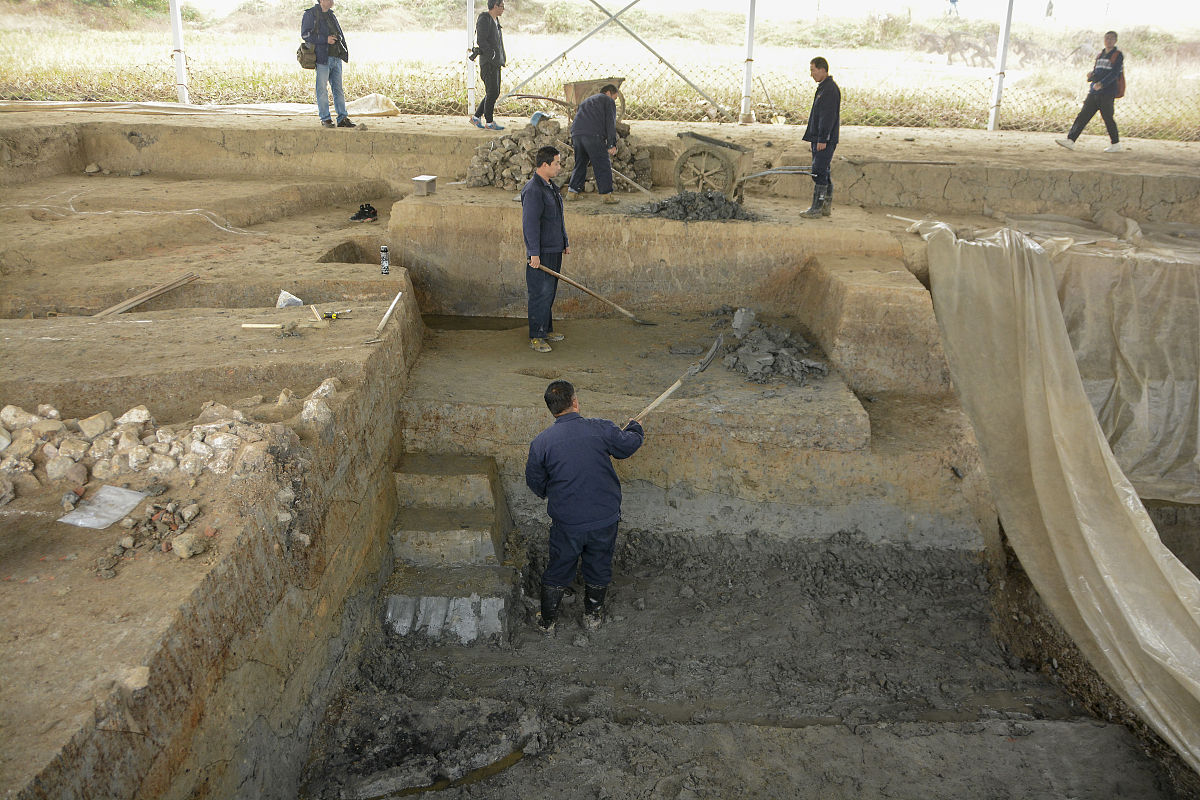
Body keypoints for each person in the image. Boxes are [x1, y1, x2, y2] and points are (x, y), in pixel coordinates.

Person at [525, 380, 645, 634]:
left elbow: (536, 483)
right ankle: (593, 616)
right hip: (604, 518)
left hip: (567, 522)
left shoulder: (541, 443)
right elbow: (627, 445)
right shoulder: (600, 429)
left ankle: (548, 622)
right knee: (599, 564)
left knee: (559, 566)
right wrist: (635, 428)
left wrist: (555, 494)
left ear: (552, 410)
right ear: (575, 402)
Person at [521, 146, 569, 353]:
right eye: (556, 163)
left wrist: (564, 242)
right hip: (541, 253)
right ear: (545, 165)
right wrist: (534, 253)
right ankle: (536, 336)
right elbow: (530, 224)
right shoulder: (533, 191)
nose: (559, 167)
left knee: (549, 292)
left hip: (554, 249)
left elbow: (558, 219)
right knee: (540, 293)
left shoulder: (551, 187)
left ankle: (546, 329)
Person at [1057, 31, 1123, 153]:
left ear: (1115, 41)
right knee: (1083, 115)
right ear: (1104, 40)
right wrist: (1091, 76)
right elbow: (1097, 71)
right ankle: (1071, 140)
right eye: (1106, 38)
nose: (1108, 41)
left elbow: (1115, 74)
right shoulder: (1100, 55)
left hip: (1107, 92)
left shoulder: (1117, 55)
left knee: (1108, 117)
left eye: (1111, 39)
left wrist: (1102, 83)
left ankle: (1116, 143)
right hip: (1094, 91)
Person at [301, 0, 355, 129]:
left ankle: (342, 118)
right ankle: (325, 119)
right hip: (322, 58)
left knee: (338, 89)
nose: (332, 1)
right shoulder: (310, 14)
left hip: (336, 57)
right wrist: (325, 39)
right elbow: (305, 35)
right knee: (322, 89)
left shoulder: (331, 15)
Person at [566, 84, 620, 205]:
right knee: (602, 163)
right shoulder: (607, 101)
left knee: (580, 163)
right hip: (593, 135)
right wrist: (611, 144)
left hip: (576, 134)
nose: (614, 101)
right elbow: (611, 123)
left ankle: (572, 192)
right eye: (614, 98)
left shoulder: (587, 101)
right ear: (608, 93)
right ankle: (607, 195)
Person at [801, 56, 840, 219]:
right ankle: (825, 207)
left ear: (823, 70)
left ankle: (817, 208)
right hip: (819, 137)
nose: (811, 74)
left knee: (818, 171)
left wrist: (822, 139)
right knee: (823, 170)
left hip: (825, 139)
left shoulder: (829, 90)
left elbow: (827, 117)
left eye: (813, 70)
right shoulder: (823, 88)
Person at [470, 0, 507, 131]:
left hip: (496, 62)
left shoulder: (496, 21)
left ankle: (476, 117)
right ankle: (489, 122)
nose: (503, 8)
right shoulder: (484, 19)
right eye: (502, 6)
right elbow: (481, 40)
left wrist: (500, 58)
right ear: (495, 6)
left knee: (493, 92)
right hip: (488, 62)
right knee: (492, 92)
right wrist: (491, 54)